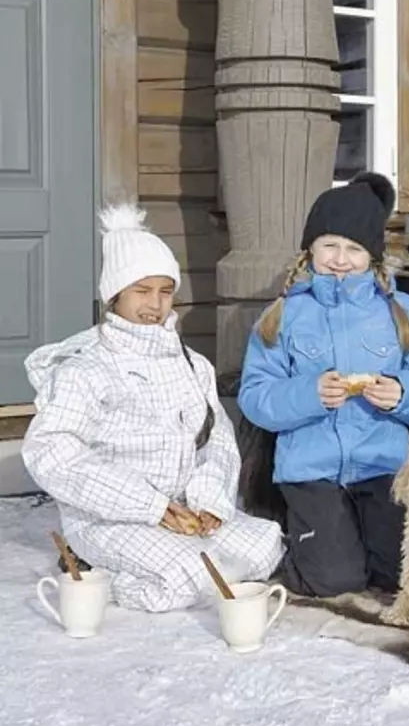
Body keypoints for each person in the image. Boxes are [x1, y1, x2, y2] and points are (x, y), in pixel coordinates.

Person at [22, 204, 283, 612]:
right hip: (110, 516)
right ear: (115, 296)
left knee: (266, 547)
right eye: (141, 291)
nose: (154, 305)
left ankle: (161, 557)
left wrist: (209, 500)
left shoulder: (191, 363)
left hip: (182, 509)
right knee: (191, 576)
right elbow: (52, 451)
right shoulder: (87, 366)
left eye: (165, 291)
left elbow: (215, 437)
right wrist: (151, 507)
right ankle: (97, 573)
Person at [237, 172, 409, 598]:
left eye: (354, 249)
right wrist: (307, 395)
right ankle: (300, 543)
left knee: (399, 575)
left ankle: (351, 541)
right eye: (329, 245)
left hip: (383, 466)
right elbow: (255, 396)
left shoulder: (402, 311)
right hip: (311, 470)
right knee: (335, 580)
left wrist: (402, 394)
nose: (339, 259)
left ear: (372, 257)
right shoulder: (283, 315)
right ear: (310, 248)